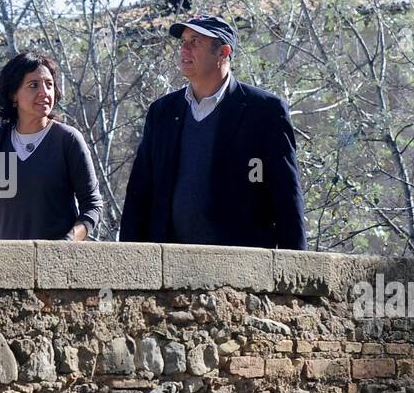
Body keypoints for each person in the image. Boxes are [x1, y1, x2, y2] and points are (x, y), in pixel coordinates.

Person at [119, 15, 306, 249]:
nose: (184, 49)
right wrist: (127, 258)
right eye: (183, 41)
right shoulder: (162, 112)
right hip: (168, 264)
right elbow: (139, 192)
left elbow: (286, 194)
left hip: (241, 266)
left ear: (223, 52)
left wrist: (294, 272)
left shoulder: (264, 111)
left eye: (195, 41)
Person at [0, 51, 102, 240]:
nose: (44, 92)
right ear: (13, 95)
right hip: (3, 264)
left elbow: (92, 206)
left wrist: (66, 243)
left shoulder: (68, 140)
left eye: (49, 84)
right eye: (33, 85)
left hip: (53, 264)